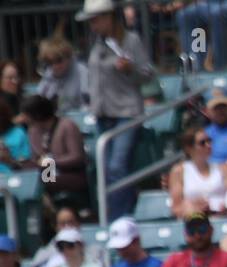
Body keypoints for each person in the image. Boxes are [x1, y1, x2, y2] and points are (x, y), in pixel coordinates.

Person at [82, 0, 155, 222]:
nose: (92, 25)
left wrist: (130, 69)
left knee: (117, 167)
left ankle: (119, 219)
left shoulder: (130, 41)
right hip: (103, 115)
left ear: (109, 17)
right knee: (103, 170)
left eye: (96, 19)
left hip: (126, 113)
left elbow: (148, 73)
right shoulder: (97, 43)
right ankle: (113, 215)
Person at [19, 94, 88, 201]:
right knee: (27, 179)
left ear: (36, 114)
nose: (23, 118)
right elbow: (36, 159)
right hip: (48, 173)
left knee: (40, 182)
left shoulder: (67, 126)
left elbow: (77, 157)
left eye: (26, 115)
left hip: (71, 173)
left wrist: (50, 162)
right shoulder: (33, 131)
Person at [169, 126, 227, 219]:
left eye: (209, 141)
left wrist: (225, 207)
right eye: (202, 143)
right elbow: (176, 208)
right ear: (189, 148)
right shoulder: (179, 171)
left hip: (222, 217)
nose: (208, 145)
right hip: (194, 220)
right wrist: (195, 207)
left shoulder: (223, 168)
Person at [36, 36, 90, 113]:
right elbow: (40, 98)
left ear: (69, 57)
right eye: (49, 62)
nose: (54, 66)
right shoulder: (49, 73)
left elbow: (90, 100)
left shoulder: (82, 71)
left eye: (58, 60)